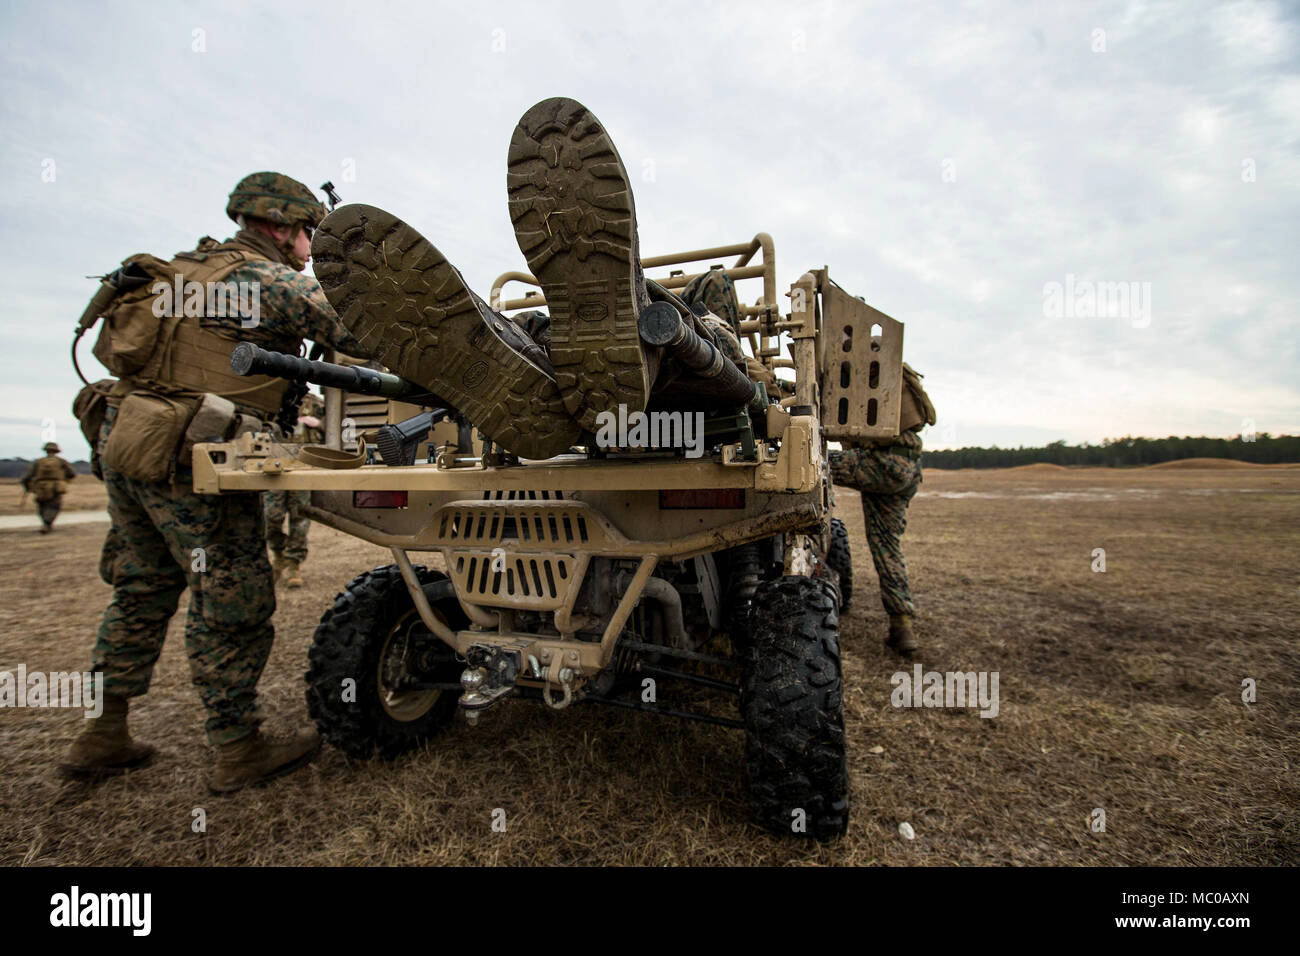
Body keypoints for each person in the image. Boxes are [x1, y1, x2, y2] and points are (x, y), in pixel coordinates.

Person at [62, 173, 373, 793]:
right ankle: (238, 747)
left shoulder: (178, 271)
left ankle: (103, 731)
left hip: (125, 442)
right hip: (192, 458)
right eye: (310, 233)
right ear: (283, 229)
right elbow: (355, 329)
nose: (310, 246)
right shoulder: (263, 280)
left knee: (141, 587)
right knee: (232, 600)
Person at [308, 97, 757, 460]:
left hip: (596, 369)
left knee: (552, 336)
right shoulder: (713, 291)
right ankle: (626, 338)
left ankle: (518, 346)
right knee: (698, 330)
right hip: (685, 375)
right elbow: (748, 385)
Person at [828, 364, 936, 656]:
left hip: (883, 463)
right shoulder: (897, 372)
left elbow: (825, 402)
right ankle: (901, 626)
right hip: (907, 465)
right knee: (888, 547)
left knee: (808, 458)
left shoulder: (860, 370)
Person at [263, 392, 325, 588]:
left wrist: (317, 423)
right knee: (271, 516)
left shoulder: (316, 403)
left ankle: (294, 563)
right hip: (274, 465)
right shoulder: (274, 397)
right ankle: (279, 554)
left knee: (299, 517)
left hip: (302, 465)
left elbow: (337, 428)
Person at [21, 441, 76, 533]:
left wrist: (27, 486)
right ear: (57, 451)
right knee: (54, 506)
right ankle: (47, 524)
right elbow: (72, 474)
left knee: (42, 506)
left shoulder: (38, 462)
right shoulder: (61, 462)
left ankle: (45, 524)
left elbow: (28, 476)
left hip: (41, 487)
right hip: (56, 487)